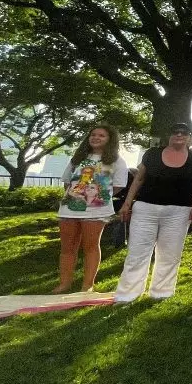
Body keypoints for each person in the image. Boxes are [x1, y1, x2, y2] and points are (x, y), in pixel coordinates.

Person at [116, 123, 192, 302]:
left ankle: (161, 292)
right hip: (145, 208)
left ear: (189, 137)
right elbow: (139, 178)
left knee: (170, 254)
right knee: (137, 253)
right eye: (175, 132)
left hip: (179, 212)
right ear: (169, 136)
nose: (179, 135)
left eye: (184, 133)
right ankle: (127, 295)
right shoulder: (152, 154)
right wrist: (127, 204)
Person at [54, 124, 129, 293]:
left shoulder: (116, 160)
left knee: (91, 246)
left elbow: (118, 186)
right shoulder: (78, 158)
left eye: (101, 135)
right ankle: (64, 284)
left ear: (110, 139)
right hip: (69, 208)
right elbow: (67, 181)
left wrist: (96, 198)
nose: (96, 137)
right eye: (93, 135)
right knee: (67, 248)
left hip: (96, 211)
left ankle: (87, 285)